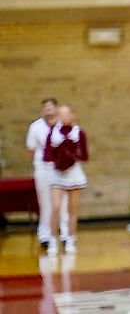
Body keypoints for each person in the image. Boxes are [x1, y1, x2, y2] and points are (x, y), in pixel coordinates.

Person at [42, 104, 88, 256]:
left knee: (72, 209)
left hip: (74, 174)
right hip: (57, 174)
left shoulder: (79, 133)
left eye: (66, 114)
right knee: (55, 207)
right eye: (60, 115)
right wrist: (58, 159)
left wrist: (71, 158)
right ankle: (53, 239)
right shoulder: (52, 133)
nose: (64, 117)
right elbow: (46, 155)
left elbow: (85, 156)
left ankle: (70, 239)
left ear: (72, 115)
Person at [26, 98, 65, 250]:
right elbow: (31, 149)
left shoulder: (64, 125)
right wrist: (38, 165)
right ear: (42, 111)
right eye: (45, 108)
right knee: (45, 203)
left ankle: (64, 234)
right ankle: (45, 235)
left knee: (63, 202)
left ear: (56, 109)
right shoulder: (35, 127)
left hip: (61, 169)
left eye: (50, 107)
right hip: (43, 168)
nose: (48, 110)